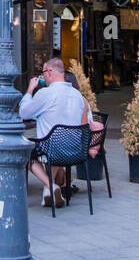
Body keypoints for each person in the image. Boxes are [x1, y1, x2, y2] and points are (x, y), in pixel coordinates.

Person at [18, 57, 89, 208]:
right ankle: (47, 191)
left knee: (25, 152)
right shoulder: (77, 95)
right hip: (76, 150)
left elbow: (24, 113)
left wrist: (30, 89)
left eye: (43, 73)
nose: (43, 77)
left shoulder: (45, 94)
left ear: (49, 72)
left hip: (53, 150)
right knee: (52, 142)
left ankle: (50, 185)